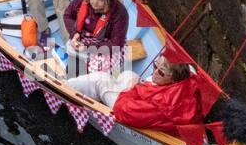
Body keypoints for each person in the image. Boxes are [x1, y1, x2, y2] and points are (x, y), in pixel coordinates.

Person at [66, 57, 203, 133]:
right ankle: (89, 94)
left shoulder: (164, 104)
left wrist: (131, 91)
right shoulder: (186, 82)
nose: (154, 72)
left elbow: (124, 111)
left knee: (100, 79)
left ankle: (64, 86)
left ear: (173, 80)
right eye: (155, 67)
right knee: (129, 75)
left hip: (125, 109)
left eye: (160, 72)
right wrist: (136, 88)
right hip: (138, 104)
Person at [62, 0, 129, 74]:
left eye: (100, 0)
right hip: (84, 37)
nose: (94, 3)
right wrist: (75, 33)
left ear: (108, 1)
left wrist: (89, 48)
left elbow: (116, 43)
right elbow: (68, 15)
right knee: (72, 71)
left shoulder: (120, 13)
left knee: (95, 73)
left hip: (107, 44)